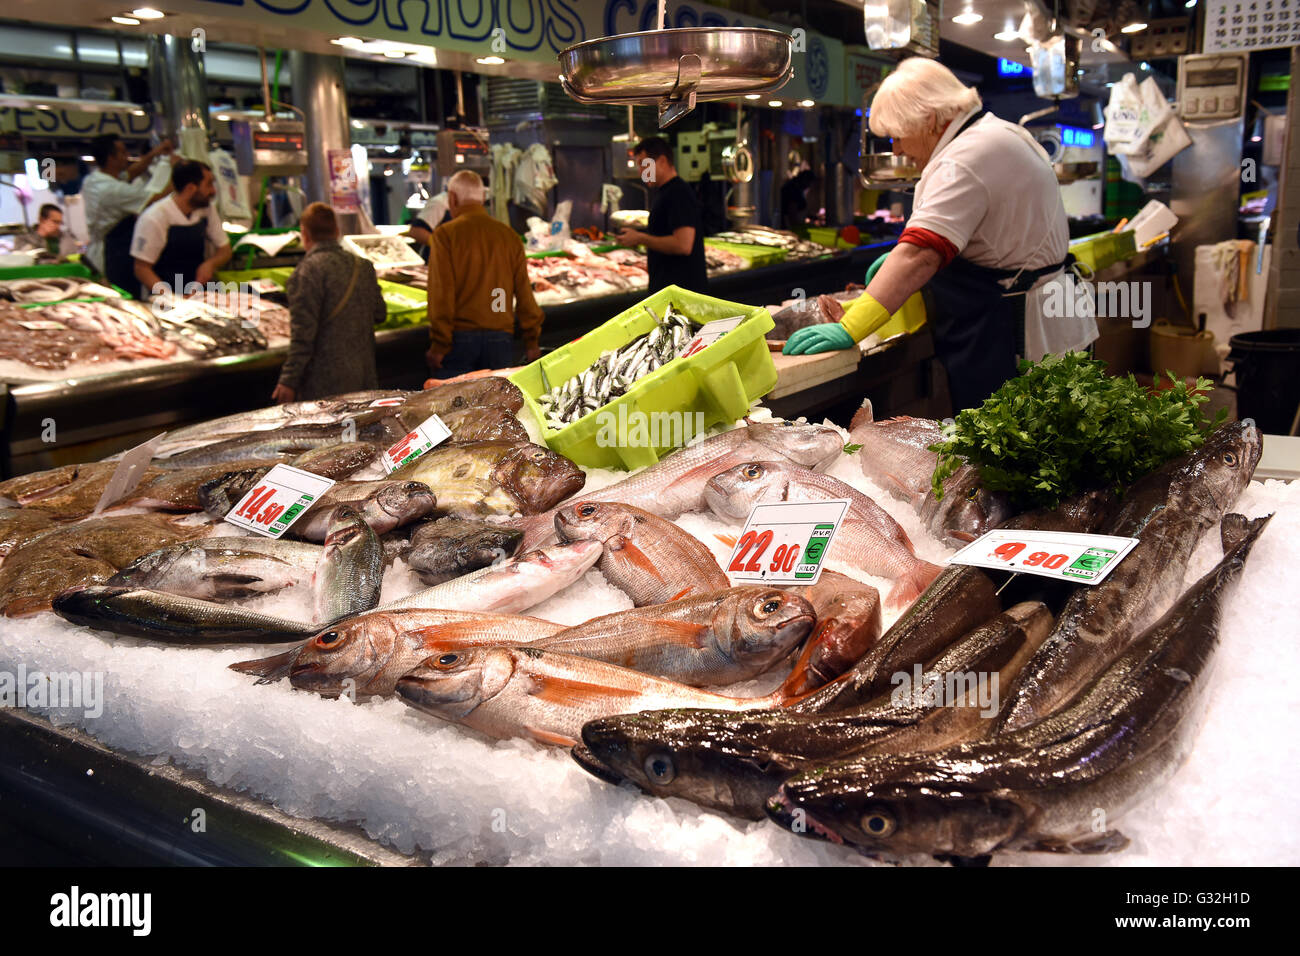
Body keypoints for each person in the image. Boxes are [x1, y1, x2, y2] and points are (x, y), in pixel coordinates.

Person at [784, 58, 1097, 413]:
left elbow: (921, 255)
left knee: (1017, 456)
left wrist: (851, 328)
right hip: (1053, 324)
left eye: (899, 136)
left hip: (1020, 340)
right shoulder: (998, 133)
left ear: (930, 120)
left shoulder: (963, 159)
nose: (898, 149)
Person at [425, 170, 543, 378]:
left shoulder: (445, 235)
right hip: (501, 341)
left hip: (458, 342)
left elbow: (441, 295)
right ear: (483, 198)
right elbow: (524, 293)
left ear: (452, 198)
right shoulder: (509, 236)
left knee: (455, 409)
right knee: (498, 408)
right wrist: (532, 341)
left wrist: (439, 345)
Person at [272, 203, 384, 404]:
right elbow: (380, 314)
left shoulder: (306, 273)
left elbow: (302, 337)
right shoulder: (364, 266)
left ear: (304, 234)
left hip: (325, 387)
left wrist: (288, 381)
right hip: (365, 379)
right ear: (337, 231)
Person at [83, 133, 175, 294]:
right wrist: (177, 171)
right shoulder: (113, 190)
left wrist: (155, 153)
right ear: (111, 158)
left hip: (98, 252)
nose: (127, 156)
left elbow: (130, 173)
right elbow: (158, 197)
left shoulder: (93, 180)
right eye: (123, 152)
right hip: (112, 257)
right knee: (120, 298)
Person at [614, 137, 708, 293]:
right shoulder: (665, 192)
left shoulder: (678, 192)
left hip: (682, 296)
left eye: (644, 165)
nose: (641, 172)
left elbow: (683, 245)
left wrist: (640, 238)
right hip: (671, 293)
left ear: (662, 161)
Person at [131, 160, 232, 299]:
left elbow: (225, 249)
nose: (213, 191)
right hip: (163, 297)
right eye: (209, 184)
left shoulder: (206, 208)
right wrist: (173, 299)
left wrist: (210, 264)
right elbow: (141, 269)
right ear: (191, 188)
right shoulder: (155, 217)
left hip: (198, 293)